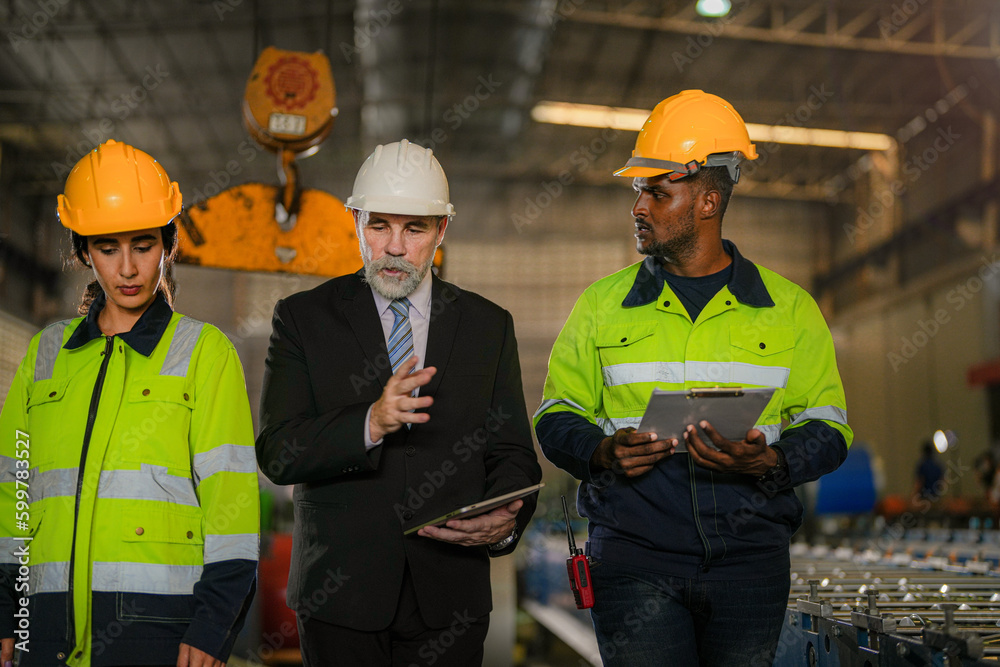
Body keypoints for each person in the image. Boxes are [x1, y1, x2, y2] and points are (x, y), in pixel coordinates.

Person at [534, 90, 853, 667]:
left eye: (657, 191)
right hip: (635, 559)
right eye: (638, 191)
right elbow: (555, 416)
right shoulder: (602, 306)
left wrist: (771, 462)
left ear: (708, 201)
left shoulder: (791, 309)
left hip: (749, 564)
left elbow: (829, 426)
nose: (639, 206)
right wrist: (602, 451)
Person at [255, 139, 542, 666]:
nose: (393, 247)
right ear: (355, 222)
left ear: (441, 231)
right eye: (378, 225)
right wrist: (369, 422)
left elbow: (514, 453)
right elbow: (278, 450)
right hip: (340, 597)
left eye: (413, 229)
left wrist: (505, 515)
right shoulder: (302, 319)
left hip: (450, 597)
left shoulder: (487, 325)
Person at [0, 140, 259, 667]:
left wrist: (212, 628)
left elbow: (231, 510)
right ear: (83, 252)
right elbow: (13, 491)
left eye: (143, 245)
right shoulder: (47, 353)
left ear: (168, 244)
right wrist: (7, 611)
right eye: (107, 248)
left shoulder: (205, 354)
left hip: (160, 630)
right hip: (43, 627)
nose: (127, 269)